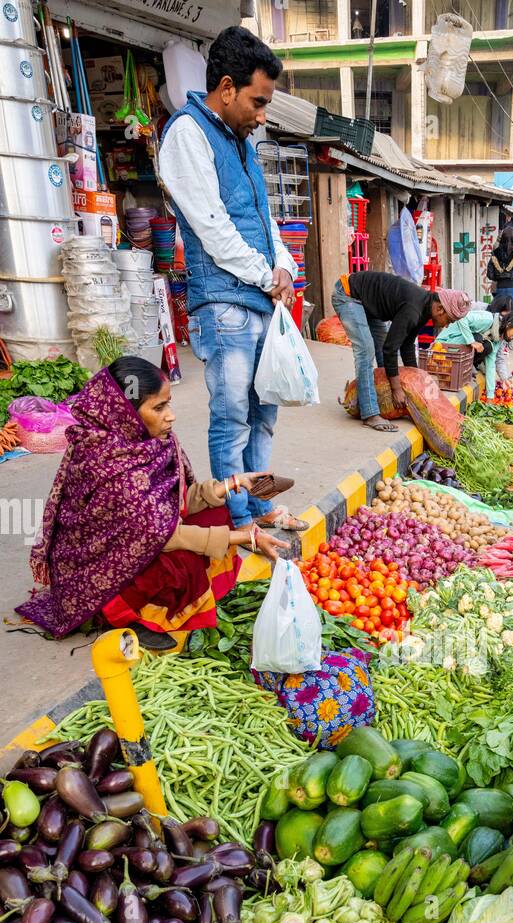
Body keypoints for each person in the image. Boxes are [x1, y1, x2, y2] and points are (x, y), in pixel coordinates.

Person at [16, 357, 294, 650]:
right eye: (159, 408)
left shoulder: (150, 442)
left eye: (168, 404)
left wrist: (236, 482)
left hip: (141, 540)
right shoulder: (108, 463)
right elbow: (160, 536)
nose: (171, 416)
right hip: (97, 573)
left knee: (216, 512)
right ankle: (123, 615)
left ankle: (164, 602)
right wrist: (244, 536)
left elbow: (175, 500)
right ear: (125, 413)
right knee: (181, 563)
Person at [160, 27, 303, 534]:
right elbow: (213, 227)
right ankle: (237, 518)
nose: (262, 115)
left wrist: (284, 264)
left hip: (260, 299)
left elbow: (264, 220)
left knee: (264, 414)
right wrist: (269, 274)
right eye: (257, 101)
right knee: (232, 418)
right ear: (225, 88)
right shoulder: (187, 135)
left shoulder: (242, 140)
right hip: (224, 306)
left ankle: (261, 506)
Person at [332, 270, 470, 431]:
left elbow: (407, 346)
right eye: (449, 320)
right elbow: (390, 349)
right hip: (348, 295)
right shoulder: (413, 310)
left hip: (367, 303)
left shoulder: (424, 307)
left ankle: (384, 403)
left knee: (383, 351)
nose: (446, 325)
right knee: (366, 351)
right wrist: (397, 388)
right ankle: (370, 413)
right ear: (440, 309)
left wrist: (418, 381)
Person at [435, 308, 513, 398]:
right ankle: (467, 366)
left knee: (488, 346)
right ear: (509, 325)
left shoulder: (498, 338)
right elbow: (462, 318)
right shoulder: (487, 319)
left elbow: (491, 364)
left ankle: (467, 366)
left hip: (458, 350)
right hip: (445, 344)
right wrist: (471, 341)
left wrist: (490, 395)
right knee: (478, 339)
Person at [486, 226, 513, 312]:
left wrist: (498, 276)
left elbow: (490, 274)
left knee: (499, 311)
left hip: (500, 287)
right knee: (512, 312)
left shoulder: (495, 253)